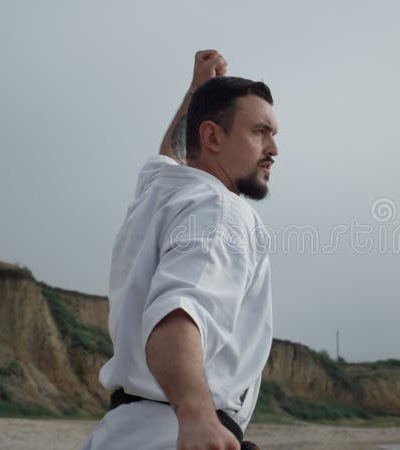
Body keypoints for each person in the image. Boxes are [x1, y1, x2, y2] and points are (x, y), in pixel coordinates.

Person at [81, 49, 278, 450]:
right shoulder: (221, 210)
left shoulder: (163, 192)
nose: (274, 148)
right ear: (210, 137)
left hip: (120, 434)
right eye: (260, 132)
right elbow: (179, 313)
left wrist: (196, 90)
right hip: (177, 433)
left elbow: (171, 157)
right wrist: (196, 416)